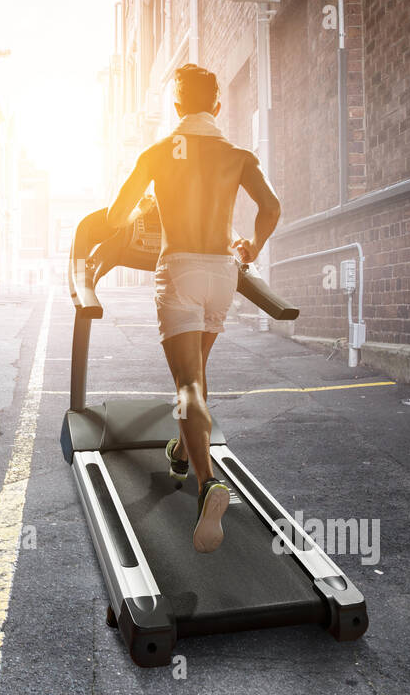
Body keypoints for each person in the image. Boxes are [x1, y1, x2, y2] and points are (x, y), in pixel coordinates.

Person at [105, 64, 281, 553]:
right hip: (222, 272)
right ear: (217, 107)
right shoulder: (236, 155)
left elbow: (118, 214)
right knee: (197, 377)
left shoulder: (159, 153)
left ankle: (208, 484)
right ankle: (182, 450)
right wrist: (251, 247)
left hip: (179, 267)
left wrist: (140, 215)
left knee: (187, 386)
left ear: (177, 107)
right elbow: (271, 208)